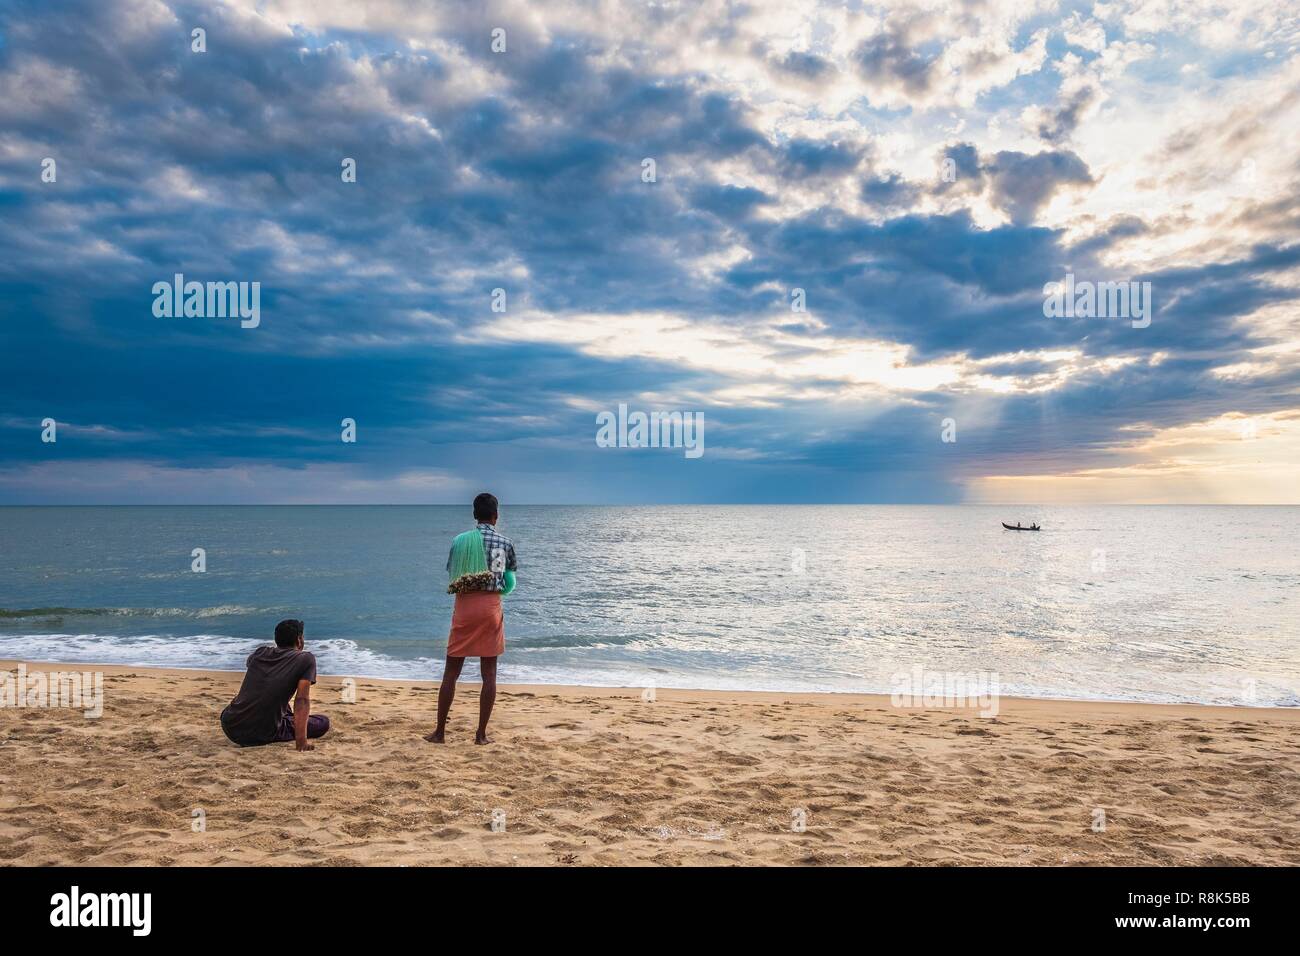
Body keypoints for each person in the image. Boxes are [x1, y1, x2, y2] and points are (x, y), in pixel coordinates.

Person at [425, 492, 518, 745]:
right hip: (490, 609)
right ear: (496, 516)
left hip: (465, 607)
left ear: (475, 515)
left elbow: (453, 572)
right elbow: (506, 581)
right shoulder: (503, 543)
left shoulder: (460, 541)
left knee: (451, 672)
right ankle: (480, 735)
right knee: (489, 673)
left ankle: (440, 733)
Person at [220, 619, 329, 750]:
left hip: (230, 724)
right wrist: (301, 742)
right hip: (260, 733)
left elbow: (250, 663)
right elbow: (302, 700)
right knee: (322, 722)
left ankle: (283, 717)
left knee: (278, 700)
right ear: (299, 640)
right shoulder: (305, 659)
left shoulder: (260, 652)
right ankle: (286, 724)